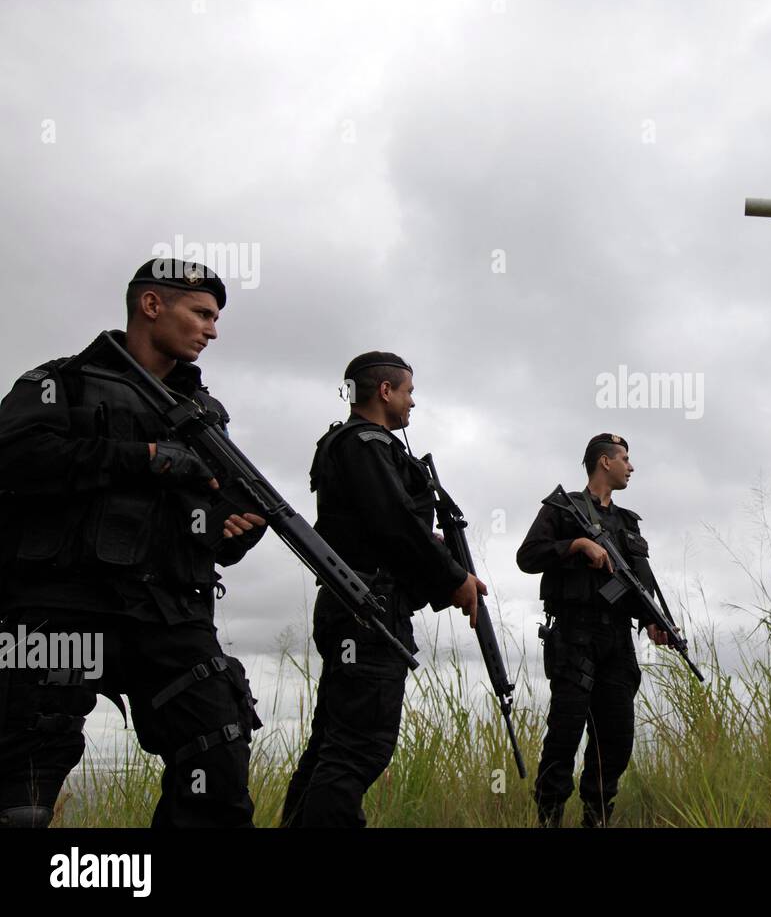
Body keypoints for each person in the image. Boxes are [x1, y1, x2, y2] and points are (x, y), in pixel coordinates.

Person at [0, 258, 268, 827]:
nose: (212, 330)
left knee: (217, 760)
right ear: (151, 305)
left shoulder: (206, 415)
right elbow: (16, 459)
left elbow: (210, 515)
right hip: (61, 604)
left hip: (168, 614)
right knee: (21, 795)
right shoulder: (58, 383)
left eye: (215, 318)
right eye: (201, 313)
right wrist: (143, 458)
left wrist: (230, 531)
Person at [280, 351, 484, 827]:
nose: (413, 402)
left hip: (355, 607)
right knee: (359, 748)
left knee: (333, 745)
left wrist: (434, 550)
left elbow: (377, 525)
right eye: (408, 391)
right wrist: (453, 578)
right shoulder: (367, 443)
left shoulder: (353, 444)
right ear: (386, 390)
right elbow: (393, 525)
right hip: (367, 610)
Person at [517, 433, 671, 827]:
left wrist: (654, 621)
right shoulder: (562, 508)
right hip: (574, 637)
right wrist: (577, 545)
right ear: (605, 462)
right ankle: (549, 817)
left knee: (615, 740)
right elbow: (528, 556)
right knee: (564, 736)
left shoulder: (627, 523)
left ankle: (596, 818)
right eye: (625, 459)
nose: (631, 467)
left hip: (617, 642)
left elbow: (639, 585)